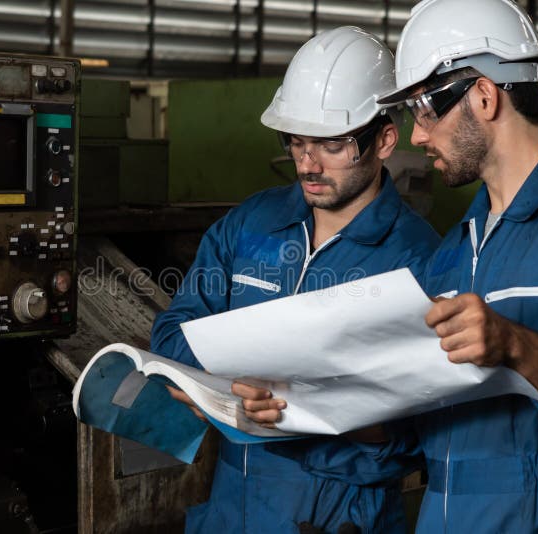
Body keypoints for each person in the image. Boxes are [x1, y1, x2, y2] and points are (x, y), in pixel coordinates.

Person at [258, 0, 538, 532]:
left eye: (424, 112)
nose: (415, 136)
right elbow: (412, 436)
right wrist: (295, 406)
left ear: (483, 96)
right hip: (443, 514)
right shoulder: (454, 252)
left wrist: (516, 345)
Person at [150, 26, 440, 534]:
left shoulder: (421, 259)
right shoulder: (250, 225)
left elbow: (433, 427)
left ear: (385, 140)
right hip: (233, 504)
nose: (307, 163)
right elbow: (176, 330)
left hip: (342, 513)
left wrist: (321, 411)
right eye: (296, 141)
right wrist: (216, 386)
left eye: (330, 144)